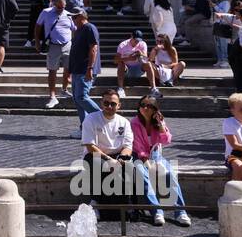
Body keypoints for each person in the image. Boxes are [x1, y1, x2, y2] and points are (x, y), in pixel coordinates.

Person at [130, 95, 190, 226]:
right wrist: (145, 160)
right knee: (142, 175)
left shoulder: (159, 121)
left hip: (156, 156)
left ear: (154, 109)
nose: (145, 108)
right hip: (138, 156)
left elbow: (166, 140)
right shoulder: (134, 123)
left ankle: (180, 212)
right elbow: (137, 144)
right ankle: (156, 211)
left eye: (149, 106)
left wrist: (161, 125)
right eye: (142, 105)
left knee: (170, 174)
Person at [80, 89, 135, 221]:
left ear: (119, 105)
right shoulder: (90, 119)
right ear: (101, 104)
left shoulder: (124, 122)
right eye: (106, 103)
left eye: (113, 104)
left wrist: (120, 159)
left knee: (131, 168)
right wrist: (110, 160)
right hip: (95, 155)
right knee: (99, 166)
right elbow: (90, 146)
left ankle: (128, 205)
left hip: (118, 156)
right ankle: (95, 204)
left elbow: (128, 146)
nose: (109, 106)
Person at [35, 0, 74, 110]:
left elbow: (74, 28)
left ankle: (64, 89)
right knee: (52, 70)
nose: (61, 9)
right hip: (53, 45)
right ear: (55, 3)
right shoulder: (46, 12)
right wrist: (37, 41)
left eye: (63, 7)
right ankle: (52, 95)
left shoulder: (68, 14)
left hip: (67, 44)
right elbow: (37, 26)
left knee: (68, 69)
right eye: (59, 6)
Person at [65, 0, 100, 131]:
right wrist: (69, 71)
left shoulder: (89, 28)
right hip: (77, 70)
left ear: (82, 16)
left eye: (75, 16)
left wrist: (90, 68)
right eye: (71, 17)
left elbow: (93, 49)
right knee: (77, 99)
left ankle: (104, 119)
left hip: (85, 69)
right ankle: (85, 128)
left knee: (81, 97)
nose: (73, 19)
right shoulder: (78, 30)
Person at [115, 30, 156, 96]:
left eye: (138, 40)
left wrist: (141, 54)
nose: (137, 42)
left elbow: (146, 59)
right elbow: (116, 60)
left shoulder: (143, 44)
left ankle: (154, 88)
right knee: (121, 63)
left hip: (139, 69)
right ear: (131, 37)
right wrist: (128, 58)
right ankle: (120, 88)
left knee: (148, 64)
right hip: (126, 69)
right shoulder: (122, 45)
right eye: (135, 40)